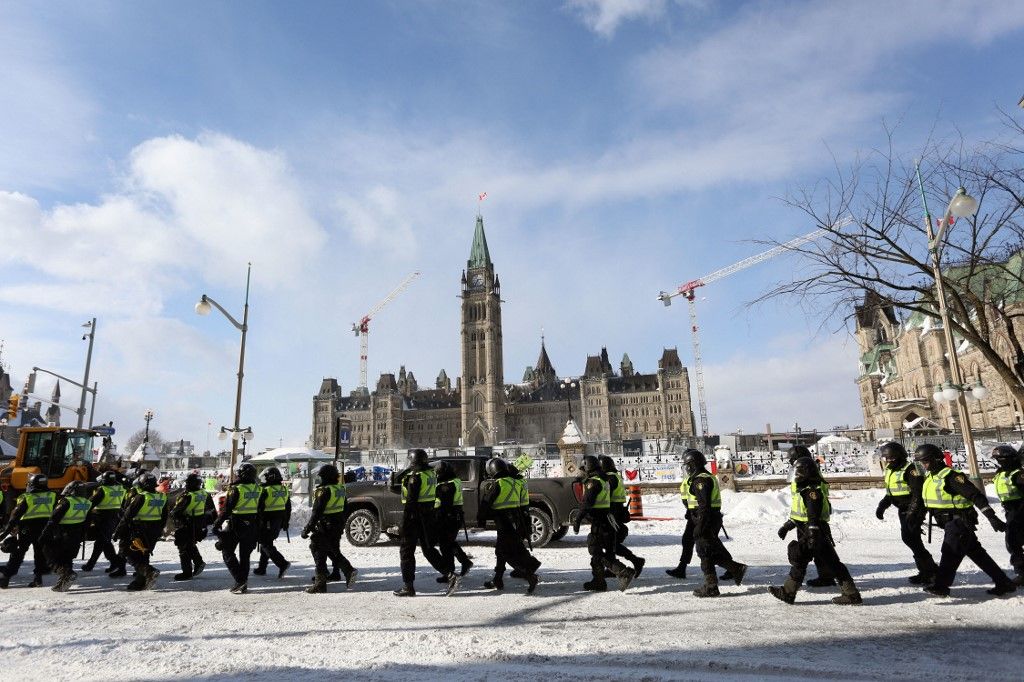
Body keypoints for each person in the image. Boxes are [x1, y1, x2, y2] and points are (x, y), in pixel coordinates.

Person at [910, 444, 1016, 597]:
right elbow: (930, 501)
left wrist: (992, 517)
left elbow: (976, 496)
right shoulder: (931, 477)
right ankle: (1004, 582)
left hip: (959, 522)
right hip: (949, 523)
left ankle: (941, 586)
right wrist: (917, 517)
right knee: (977, 554)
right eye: (920, 462)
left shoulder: (951, 477)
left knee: (950, 552)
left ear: (936, 459)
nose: (923, 465)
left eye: (925, 461)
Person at [768, 457, 862, 605]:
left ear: (805, 473)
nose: (796, 476)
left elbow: (812, 515)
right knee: (832, 563)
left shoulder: (812, 491)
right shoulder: (805, 489)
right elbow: (801, 514)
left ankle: (788, 593)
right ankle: (851, 594)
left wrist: (812, 533)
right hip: (815, 531)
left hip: (814, 532)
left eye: (798, 473)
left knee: (800, 560)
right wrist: (787, 526)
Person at [679, 450, 747, 597]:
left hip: (706, 520)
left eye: (688, 465)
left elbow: (704, 507)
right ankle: (725, 576)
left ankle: (716, 583)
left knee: (704, 552)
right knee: (707, 552)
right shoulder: (702, 477)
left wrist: (700, 527)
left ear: (693, 464)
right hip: (706, 519)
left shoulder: (700, 481)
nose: (687, 468)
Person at [390, 449, 451, 596]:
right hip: (428, 515)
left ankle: (408, 586)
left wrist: (402, 525)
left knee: (406, 551)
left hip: (413, 517)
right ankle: (450, 574)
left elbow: (411, 500)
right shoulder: (430, 474)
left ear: (413, 462)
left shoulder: (415, 477)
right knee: (429, 549)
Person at [875, 442, 937, 584]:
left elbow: (917, 493)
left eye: (891, 458)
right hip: (903, 508)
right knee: (911, 539)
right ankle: (927, 571)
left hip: (914, 507)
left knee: (911, 539)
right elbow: (892, 492)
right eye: (886, 458)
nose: (888, 461)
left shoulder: (910, 469)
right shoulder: (892, 470)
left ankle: (930, 572)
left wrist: (913, 512)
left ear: (899, 456)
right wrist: (882, 505)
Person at [573, 455, 635, 592]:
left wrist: (577, 520)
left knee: (596, 551)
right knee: (596, 553)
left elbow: (586, 504)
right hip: (604, 520)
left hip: (600, 522)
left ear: (588, 468)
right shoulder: (602, 480)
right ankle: (598, 581)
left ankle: (623, 572)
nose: (582, 472)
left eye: (583, 469)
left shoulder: (593, 483)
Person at [479, 457, 540, 593]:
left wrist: (481, 519)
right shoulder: (515, 482)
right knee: (506, 550)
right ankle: (498, 579)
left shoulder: (497, 484)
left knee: (505, 552)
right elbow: (523, 502)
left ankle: (529, 575)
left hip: (502, 521)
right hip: (515, 520)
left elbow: (486, 503)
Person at [303, 464, 357, 594]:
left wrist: (307, 529)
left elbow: (316, 513)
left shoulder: (324, 491)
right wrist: (341, 524)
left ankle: (321, 583)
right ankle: (341, 572)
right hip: (336, 525)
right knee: (332, 549)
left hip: (325, 525)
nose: (320, 479)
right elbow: (345, 508)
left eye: (321, 477)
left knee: (317, 549)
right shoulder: (339, 489)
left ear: (326, 477)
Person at [213, 462, 262, 594]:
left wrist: (217, 524)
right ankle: (243, 582)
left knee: (227, 551)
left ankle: (240, 580)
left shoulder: (237, 489)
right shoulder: (258, 488)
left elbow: (226, 510)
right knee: (245, 556)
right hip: (252, 525)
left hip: (236, 524)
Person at [114, 472, 167, 591]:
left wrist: (118, 531)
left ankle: (148, 571)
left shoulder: (141, 496)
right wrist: (158, 531)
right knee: (144, 554)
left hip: (139, 529)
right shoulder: (162, 497)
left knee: (128, 553)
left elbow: (127, 516)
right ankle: (140, 581)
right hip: (153, 531)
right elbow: (164, 517)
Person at [0, 474, 56, 588]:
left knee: (18, 554)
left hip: (27, 528)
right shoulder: (53, 495)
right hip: (44, 528)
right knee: (39, 554)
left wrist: (5, 533)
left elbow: (15, 517)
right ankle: (38, 579)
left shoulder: (27, 497)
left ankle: (6, 578)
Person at [42, 480, 93, 592]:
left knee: (51, 555)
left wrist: (44, 535)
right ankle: (63, 582)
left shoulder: (66, 501)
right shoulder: (87, 503)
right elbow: (87, 522)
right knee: (67, 558)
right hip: (76, 535)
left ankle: (67, 573)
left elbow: (53, 520)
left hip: (62, 534)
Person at [599, 455, 645, 577]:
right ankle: (612, 569)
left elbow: (605, 494)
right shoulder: (615, 476)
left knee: (609, 542)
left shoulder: (610, 478)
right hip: (617, 511)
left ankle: (636, 560)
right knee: (610, 542)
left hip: (613, 512)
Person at [434, 460, 473, 585]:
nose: (437, 475)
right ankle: (464, 562)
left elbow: (445, 503)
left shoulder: (447, 485)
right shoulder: (454, 480)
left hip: (448, 517)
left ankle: (450, 571)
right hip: (453, 517)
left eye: (438, 473)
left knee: (445, 546)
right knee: (449, 543)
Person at [169, 472, 214, 581]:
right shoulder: (204, 493)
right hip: (199, 524)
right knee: (190, 545)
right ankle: (198, 562)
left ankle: (187, 572)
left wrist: (173, 513)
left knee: (183, 548)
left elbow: (176, 512)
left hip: (186, 525)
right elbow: (211, 510)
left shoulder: (187, 496)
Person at [82, 470, 126, 574]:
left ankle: (118, 563)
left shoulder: (103, 490)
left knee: (102, 542)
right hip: (114, 518)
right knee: (103, 542)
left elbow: (90, 503)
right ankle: (111, 563)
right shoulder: (121, 489)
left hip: (101, 518)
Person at [991, 445, 1024, 585]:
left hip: (1020, 511)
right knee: (1014, 542)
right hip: (1010, 511)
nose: (999, 462)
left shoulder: (1018, 474)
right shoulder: (1002, 473)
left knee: (1012, 541)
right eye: (997, 460)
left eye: (1001, 459)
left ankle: (1022, 573)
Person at [254, 466, 292, 579]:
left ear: (270, 477)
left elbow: (259, 508)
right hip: (279, 521)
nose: (264, 479)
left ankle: (282, 564)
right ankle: (262, 568)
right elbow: (288, 508)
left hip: (267, 521)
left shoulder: (265, 490)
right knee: (267, 542)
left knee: (265, 543)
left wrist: (257, 521)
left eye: (266, 477)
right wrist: (286, 522)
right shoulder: (283, 489)